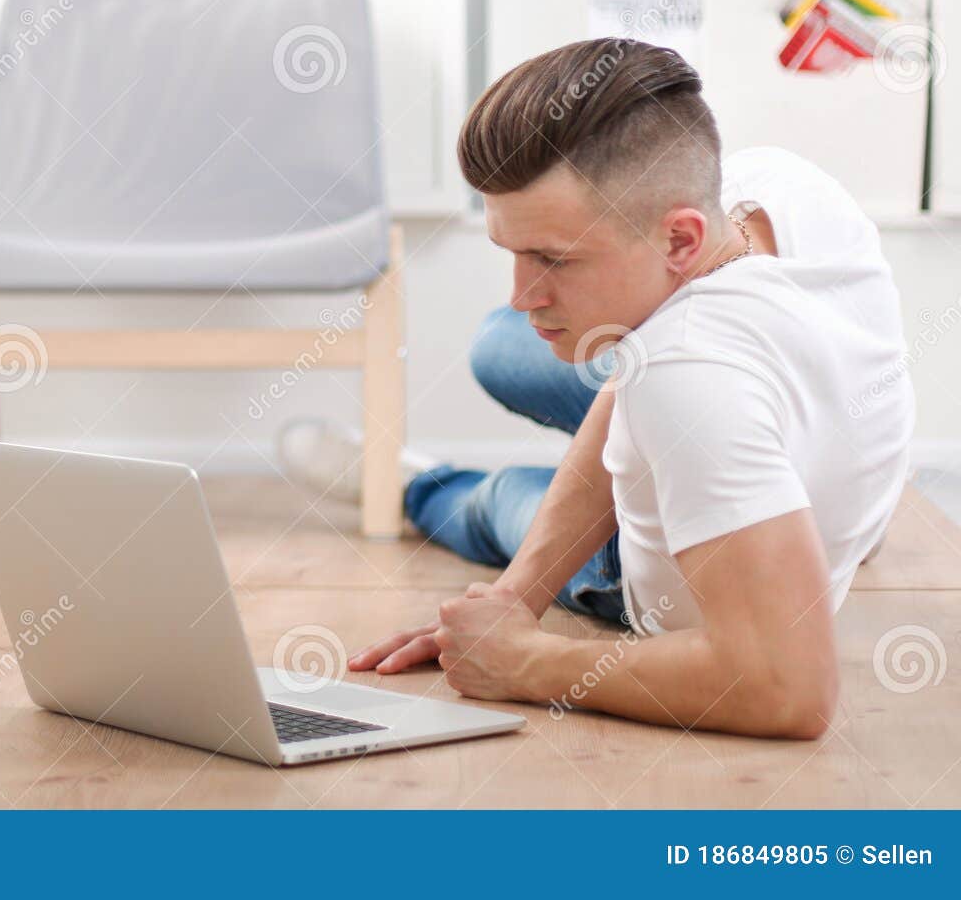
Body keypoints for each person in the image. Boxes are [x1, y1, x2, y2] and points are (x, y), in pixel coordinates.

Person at [279, 38, 913, 738]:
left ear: (681, 240)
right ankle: (802, 509)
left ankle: (414, 484)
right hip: (821, 446)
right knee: (500, 343)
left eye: (552, 258)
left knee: (494, 505)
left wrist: (526, 657)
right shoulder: (777, 184)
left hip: (657, 573)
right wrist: (514, 597)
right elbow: (647, 380)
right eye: (513, 251)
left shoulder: (688, 380)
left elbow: (790, 688)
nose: (523, 293)